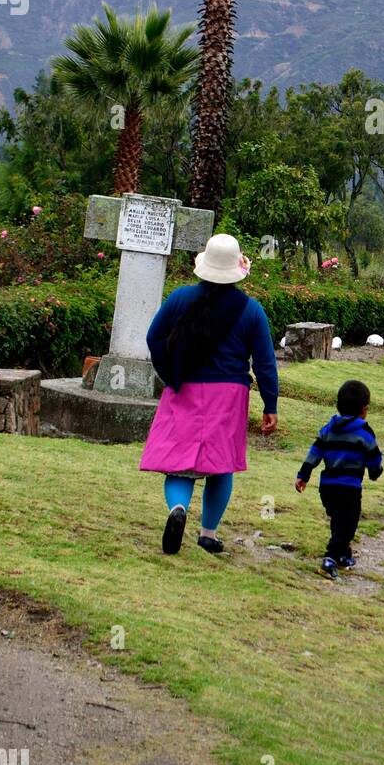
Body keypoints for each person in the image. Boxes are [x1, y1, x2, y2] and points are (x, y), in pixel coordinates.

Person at [140, 233, 279, 555]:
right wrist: (270, 404)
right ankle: (208, 533)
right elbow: (265, 363)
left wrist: (171, 373)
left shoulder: (179, 298)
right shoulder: (251, 310)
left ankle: (178, 508)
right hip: (229, 394)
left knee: (179, 463)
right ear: (237, 269)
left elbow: (153, 338)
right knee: (221, 465)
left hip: (185, 387)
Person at [295, 379, 383, 579]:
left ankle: (344, 555)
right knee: (348, 524)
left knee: (339, 521)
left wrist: (303, 475)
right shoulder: (364, 432)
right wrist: (375, 472)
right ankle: (330, 558)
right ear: (364, 409)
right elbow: (374, 456)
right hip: (349, 488)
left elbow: (314, 453)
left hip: (327, 488)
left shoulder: (328, 429)